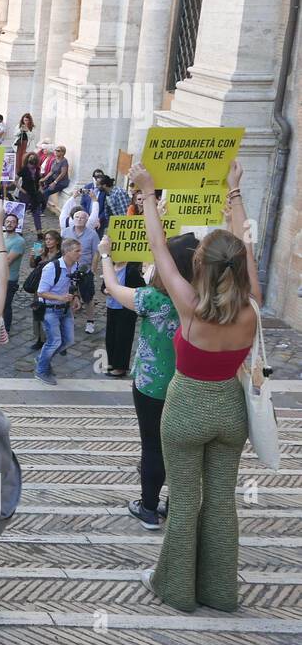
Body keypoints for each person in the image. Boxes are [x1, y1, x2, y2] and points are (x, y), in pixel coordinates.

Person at [129, 161, 258, 612]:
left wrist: (148, 193)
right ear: (241, 270)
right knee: (222, 500)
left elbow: (159, 248)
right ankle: (220, 591)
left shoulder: (189, 306)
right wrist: (235, 193)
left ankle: (177, 588)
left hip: (186, 408)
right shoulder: (252, 307)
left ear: (200, 267)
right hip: (231, 410)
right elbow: (245, 245)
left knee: (184, 502)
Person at [98, 231, 196, 530]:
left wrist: (105, 255)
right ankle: (178, 505)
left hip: (152, 385)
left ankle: (149, 508)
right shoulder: (204, 299)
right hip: (189, 384)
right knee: (182, 448)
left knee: (153, 445)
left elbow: (113, 288)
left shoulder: (153, 299)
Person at [34, 237, 82, 386]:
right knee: (54, 341)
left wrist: (75, 297)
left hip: (65, 309)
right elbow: (41, 292)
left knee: (68, 340)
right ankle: (41, 371)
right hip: (50, 310)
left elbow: (72, 285)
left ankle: (43, 358)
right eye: (77, 251)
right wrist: (60, 297)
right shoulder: (51, 268)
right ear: (67, 251)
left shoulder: (75, 265)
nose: (80, 253)